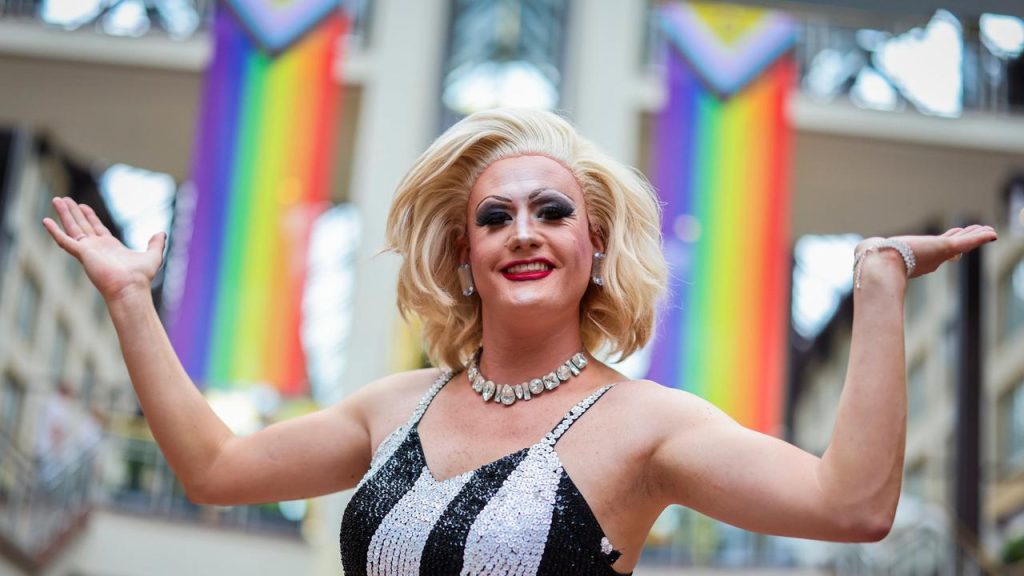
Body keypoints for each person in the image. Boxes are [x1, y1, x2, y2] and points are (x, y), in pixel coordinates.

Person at [43, 108, 997, 575]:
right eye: (495, 217)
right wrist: (131, 299)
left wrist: (877, 287)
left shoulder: (648, 426)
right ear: (466, 257)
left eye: (553, 211)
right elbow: (211, 467)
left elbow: (853, 506)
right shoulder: (393, 405)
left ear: (595, 247)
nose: (525, 230)